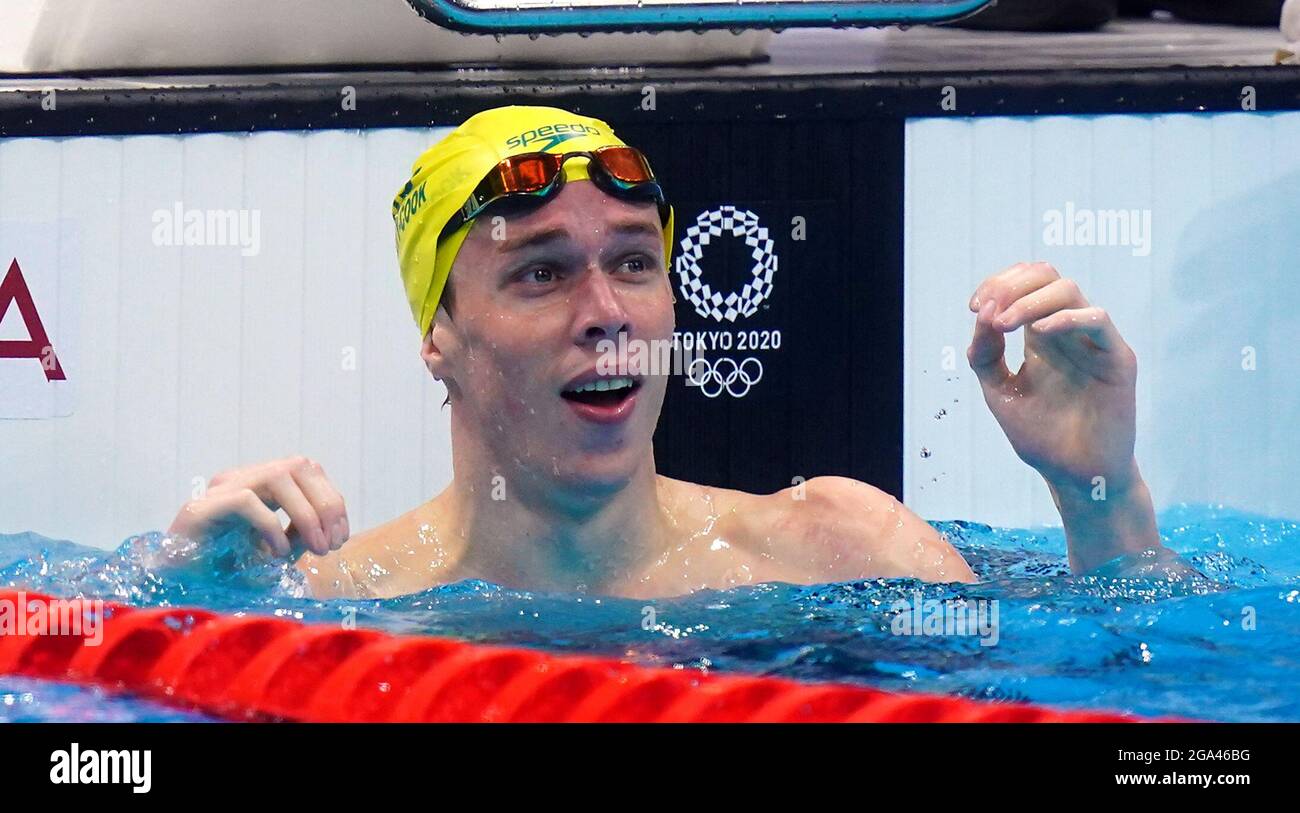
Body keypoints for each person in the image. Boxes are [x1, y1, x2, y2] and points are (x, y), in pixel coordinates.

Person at [167, 105, 1182, 600]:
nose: (606, 311)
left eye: (634, 264)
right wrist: (179, 591)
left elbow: (1143, 719)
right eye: (541, 272)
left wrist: (1102, 499)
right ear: (438, 333)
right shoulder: (339, 608)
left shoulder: (841, 550)